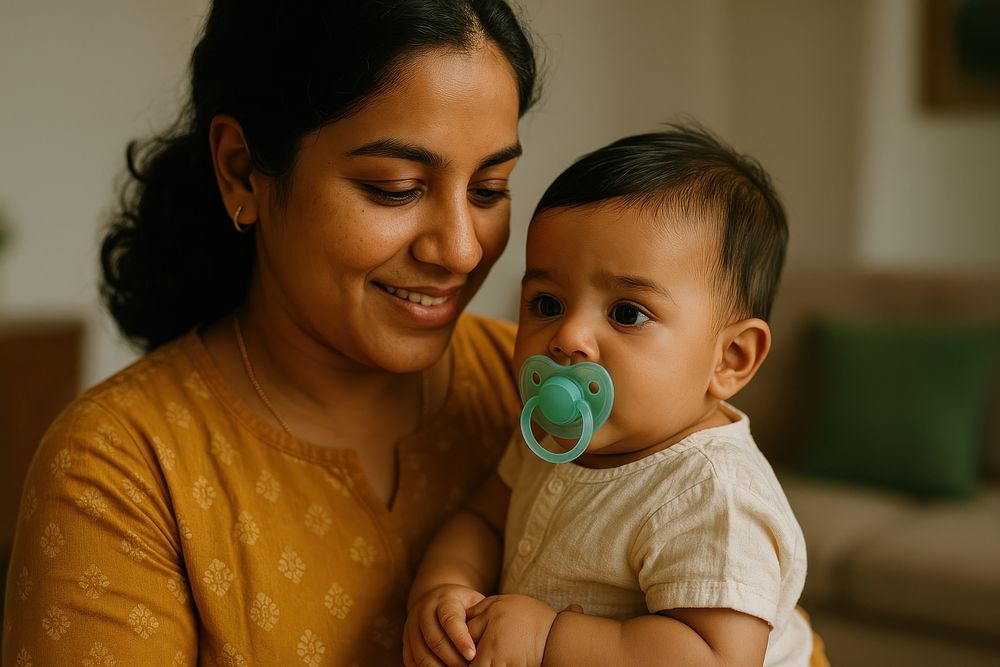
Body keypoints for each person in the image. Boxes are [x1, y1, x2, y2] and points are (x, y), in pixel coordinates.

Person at [2, 1, 538, 664]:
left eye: (490, 188)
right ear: (240, 170)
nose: (460, 249)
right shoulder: (122, 468)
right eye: (395, 188)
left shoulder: (533, 388)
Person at [405, 125, 829, 666]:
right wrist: (443, 588)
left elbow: (715, 659)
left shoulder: (712, 494)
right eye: (547, 304)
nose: (567, 338)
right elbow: (483, 521)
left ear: (730, 359)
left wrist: (547, 639)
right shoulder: (552, 434)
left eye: (627, 313)